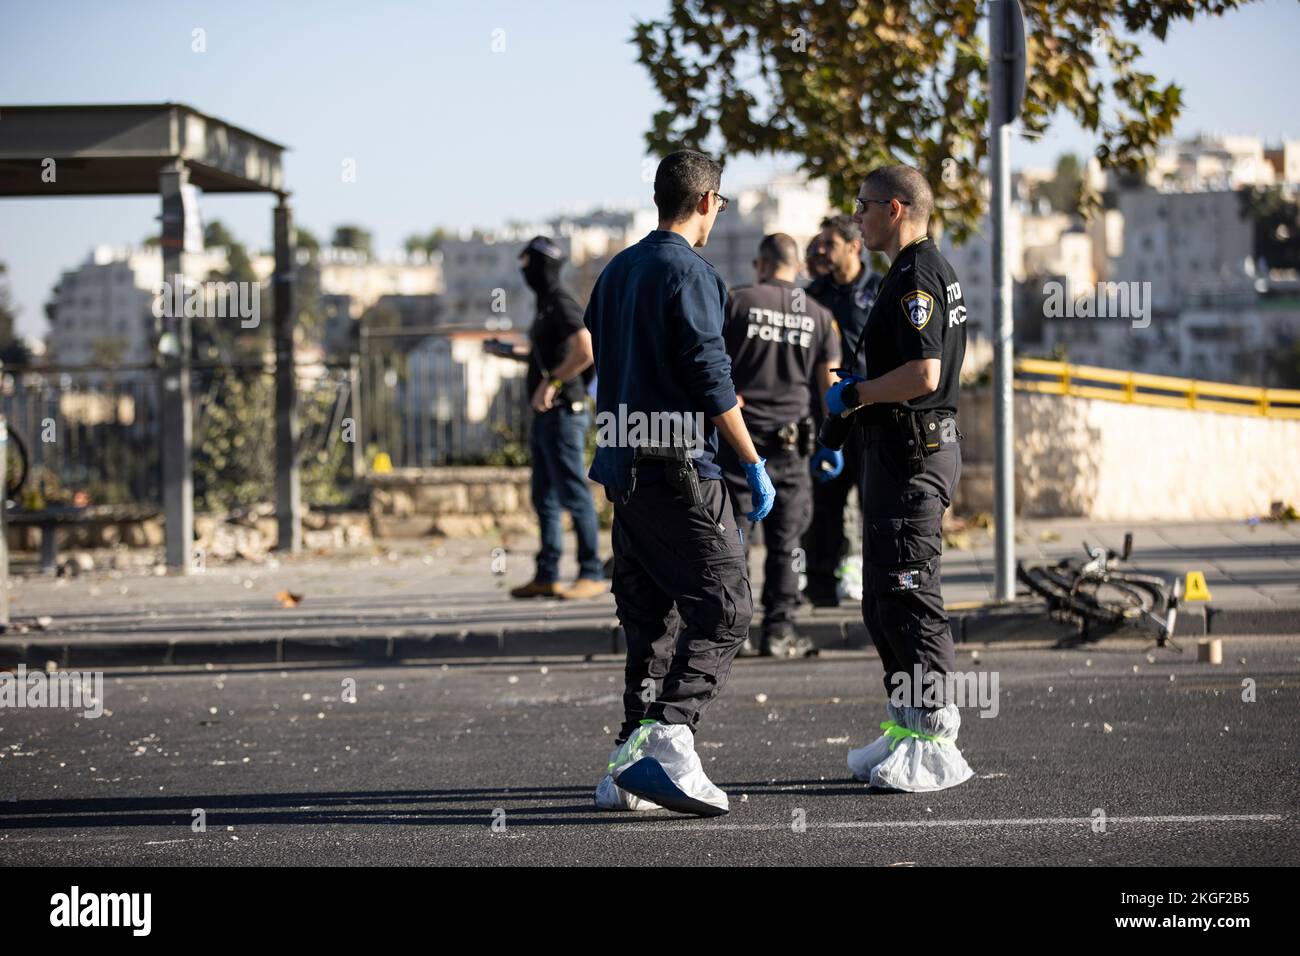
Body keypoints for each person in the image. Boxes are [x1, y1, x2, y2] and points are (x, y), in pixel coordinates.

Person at [583, 149, 775, 816]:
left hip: (624, 471)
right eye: (719, 203)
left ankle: (624, 769)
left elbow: (599, 355)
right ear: (706, 202)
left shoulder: (616, 271)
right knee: (725, 607)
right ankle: (670, 738)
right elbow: (710, 377)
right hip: (679, 471)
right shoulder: (690, 272)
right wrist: (750, 459)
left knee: (653, 627)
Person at [822, 164, 974, 792]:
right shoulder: (910, 272)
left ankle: (934, 740)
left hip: (914, 456)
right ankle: (907, 722)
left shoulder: (917, 274)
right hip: (895, 456)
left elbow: (924, 375)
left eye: (862, 206)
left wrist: (855, 393)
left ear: (894, 207)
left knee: (910, 594)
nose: (855, 218)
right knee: (883, 597)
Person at [718, 233, 839, 657]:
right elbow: (830, 388)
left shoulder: (736, 302)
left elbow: (711, 368)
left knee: (733, 540)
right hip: (792, 446)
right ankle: (779, 629)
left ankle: (732, 633)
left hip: (740, 443)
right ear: (795, 266)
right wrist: (832, 442)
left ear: (761, 263)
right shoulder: (821, 316)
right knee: (787, 543)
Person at [485, 236, 605, 601]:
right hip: (547, 417)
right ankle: (547, 573)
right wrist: (510, 353)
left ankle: (591, 572)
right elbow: (549, 353)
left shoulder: (560, 302)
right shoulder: (544, 306)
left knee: (573, 493)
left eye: (527, 263)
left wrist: (552, 383)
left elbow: (585, 349)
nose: (523, 270)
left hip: (565, 413)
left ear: (541, 266)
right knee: (545, 497)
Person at [803, 215, 883, 606]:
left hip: (871, 417)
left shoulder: (881, 288)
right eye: (817, 244)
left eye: (828, 244)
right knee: (825, 509)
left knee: (875, 504)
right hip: (827, 420)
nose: (820, 251)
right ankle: (820, 589)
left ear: (853, 246)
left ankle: (877, 585)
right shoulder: (813, 295)